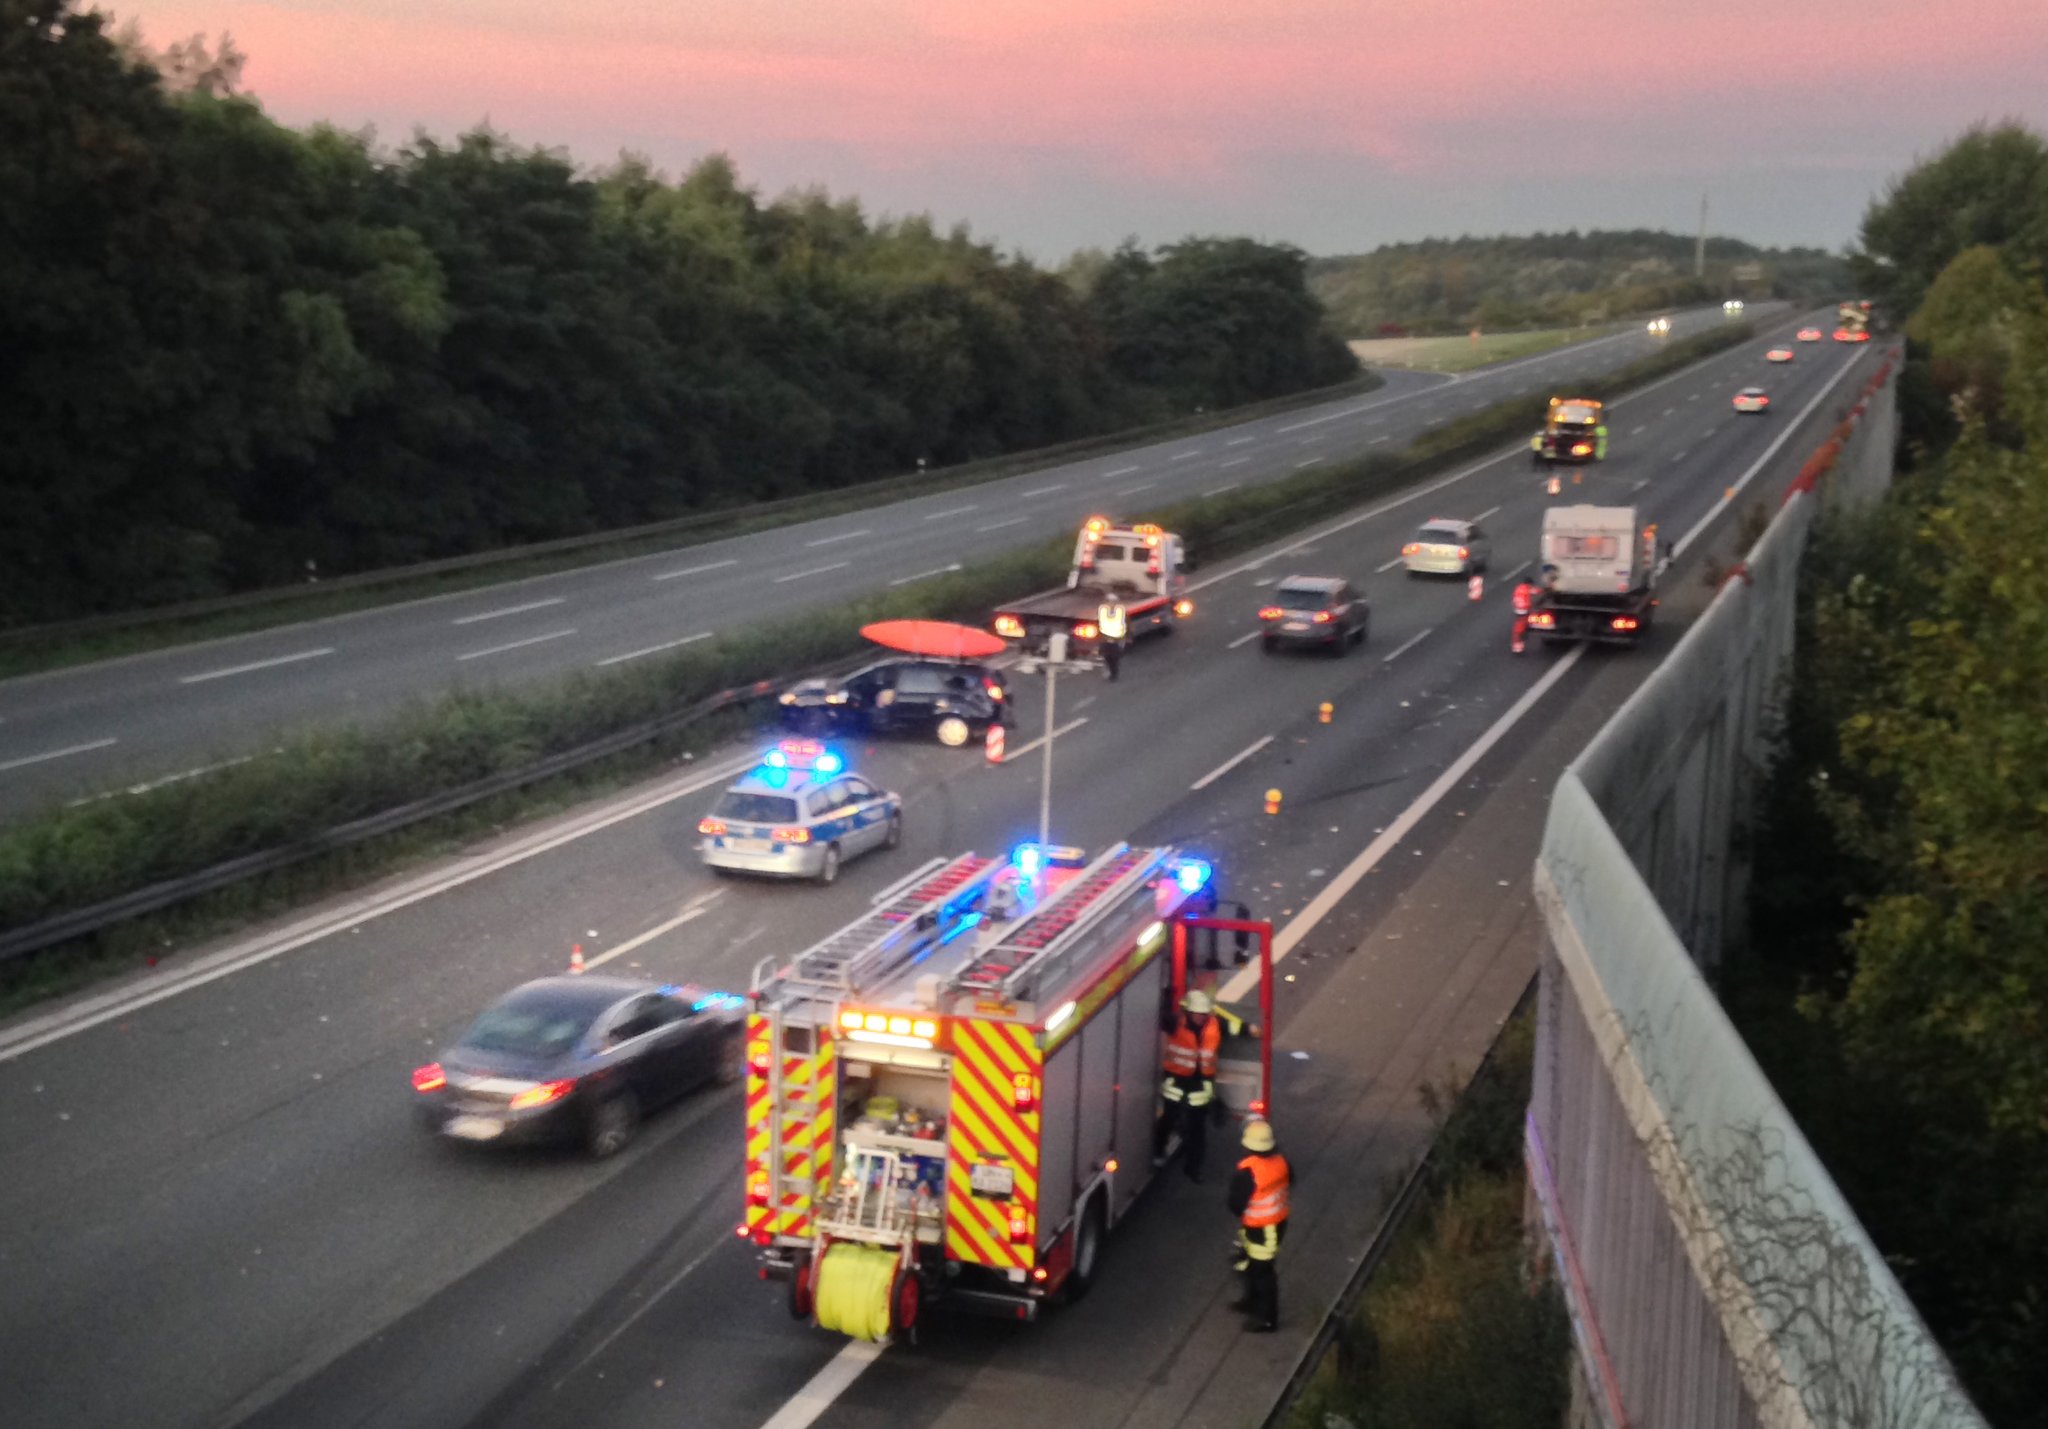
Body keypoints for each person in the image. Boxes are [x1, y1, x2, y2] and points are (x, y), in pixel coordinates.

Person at [1155, 989, 1240, 1181]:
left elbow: (1235, 1027)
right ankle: (1158, 1152)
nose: (1201, 1017)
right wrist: (1164, 998)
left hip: (1200, 1087)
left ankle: (1193, 1168)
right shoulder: (1176, 1023)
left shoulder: (1215, 1024)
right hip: (1176, 1083)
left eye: (1204, 1014)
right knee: (1167, 1121)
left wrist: (1250, 1029)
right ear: (1189, 1012)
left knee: (1197, 1131)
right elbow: (1159, 1016)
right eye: (1198, 1013)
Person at [1228, 1117, 1292, 1332]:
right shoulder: (1281, 1162)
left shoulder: (1248, 1172)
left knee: (1263, 1273)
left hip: (1261, 1228)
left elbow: (1236, 1204)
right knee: (1252, 1265)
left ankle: (1268, 1319)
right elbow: (1291, 1180)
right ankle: (1251, 1302)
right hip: (1274, 1224)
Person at [1511, 576, 1540, 654]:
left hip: (1517, 609)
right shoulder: (1528, 589)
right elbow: (1536, 591)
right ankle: (1518, 648)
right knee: (1520, 629)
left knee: (1520, 627)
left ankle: (1519, 644)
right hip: (1524, 610)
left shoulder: (1518, 587)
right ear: (1529, 584)